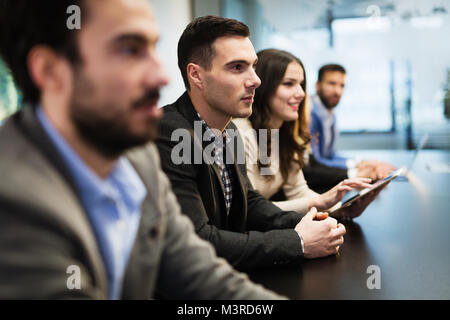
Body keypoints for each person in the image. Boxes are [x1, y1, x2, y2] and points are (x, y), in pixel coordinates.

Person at [0, 0, 284, 299]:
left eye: (151, 49)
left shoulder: (137, 158)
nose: (160, 76)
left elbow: (200, 275)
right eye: (129, 51)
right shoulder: (13, 200)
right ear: (50, 71)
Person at [155, 15, 361, 271]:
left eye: (252, 66)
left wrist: (315, 220)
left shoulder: (227, 130)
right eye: (237, 67)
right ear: (196, 75)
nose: (256, 80)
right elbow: (196, 240)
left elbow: (249, 203)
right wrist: (297, 241)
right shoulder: (172, 131)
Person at [233, 49, 373, 214]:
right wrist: (320, 202)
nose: (301, 93)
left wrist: (341, 209)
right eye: (288, 84)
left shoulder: (280, 134)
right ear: (262, 87)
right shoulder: (241, 133)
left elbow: (298, 192)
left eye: (301, 84)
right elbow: (248, 210)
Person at [306, 64, 395, 187]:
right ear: (317, 85)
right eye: (331, 84)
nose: (337, 91)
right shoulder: (309, 113)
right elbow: (315, 162)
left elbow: (329, 155)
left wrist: (359, 163)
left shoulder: (329, 112)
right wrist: (356, 171)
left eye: (342, 85)